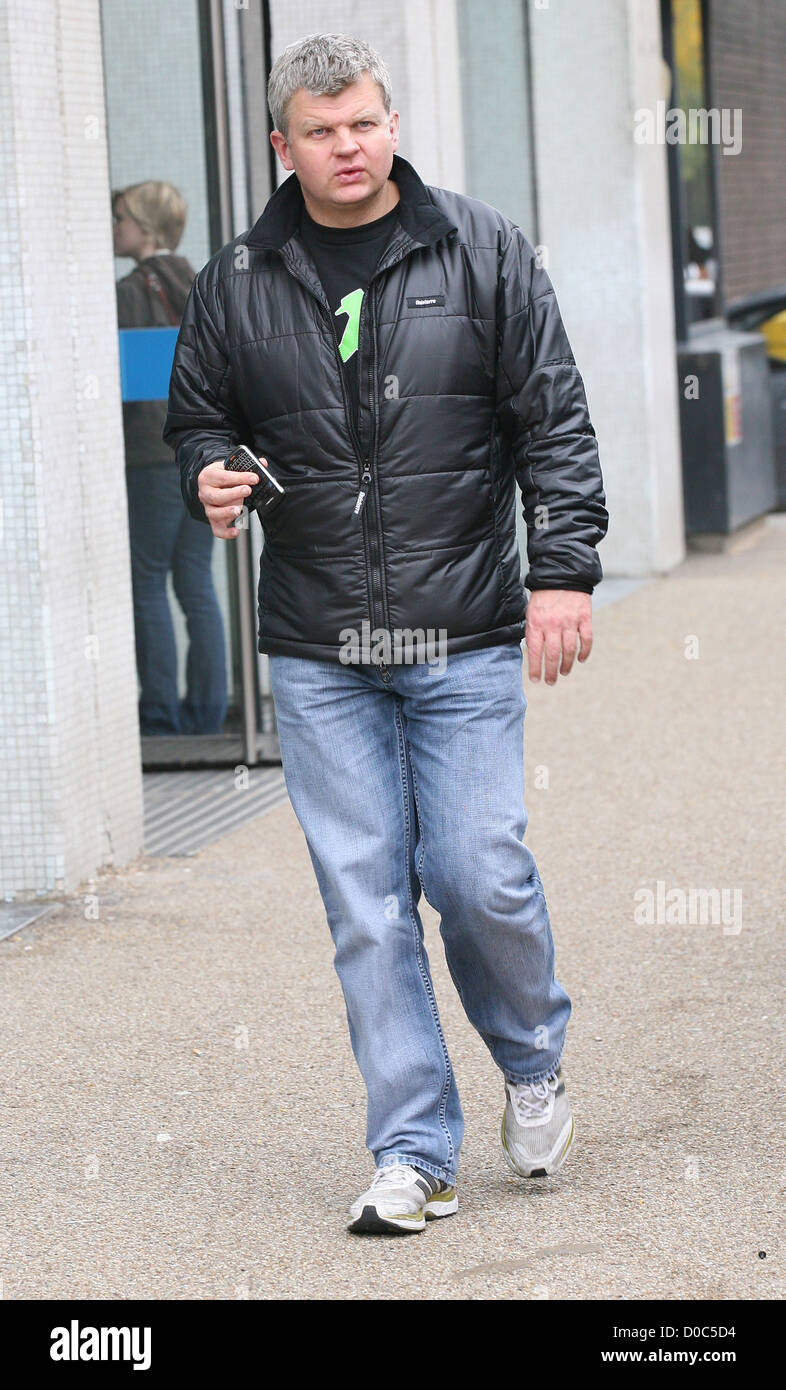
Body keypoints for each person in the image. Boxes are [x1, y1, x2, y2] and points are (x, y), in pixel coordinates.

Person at [163, 33, 609, 1235]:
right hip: (320, 648)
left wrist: (563, 572)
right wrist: (210, 470)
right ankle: (414, 1150)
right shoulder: (237, 278)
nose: (347, 146)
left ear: (392, 124)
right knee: (366, 906)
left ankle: (532, 1058)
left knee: (477, 874)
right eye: (321, 131)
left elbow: (554, 422)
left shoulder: (484, 250)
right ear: (283, 145)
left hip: (463, 628)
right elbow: (199, 418)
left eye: (363, 122)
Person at [114, 181, 228, 736]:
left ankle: (159, 713)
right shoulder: (204, 280)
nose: (114, 228)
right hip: (200, 455)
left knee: (148, 579)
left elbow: (127, 384)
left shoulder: (127, 292)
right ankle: (208, 713)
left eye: (120, 218)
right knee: (195, 581)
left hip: (148, 456)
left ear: (143, 226)